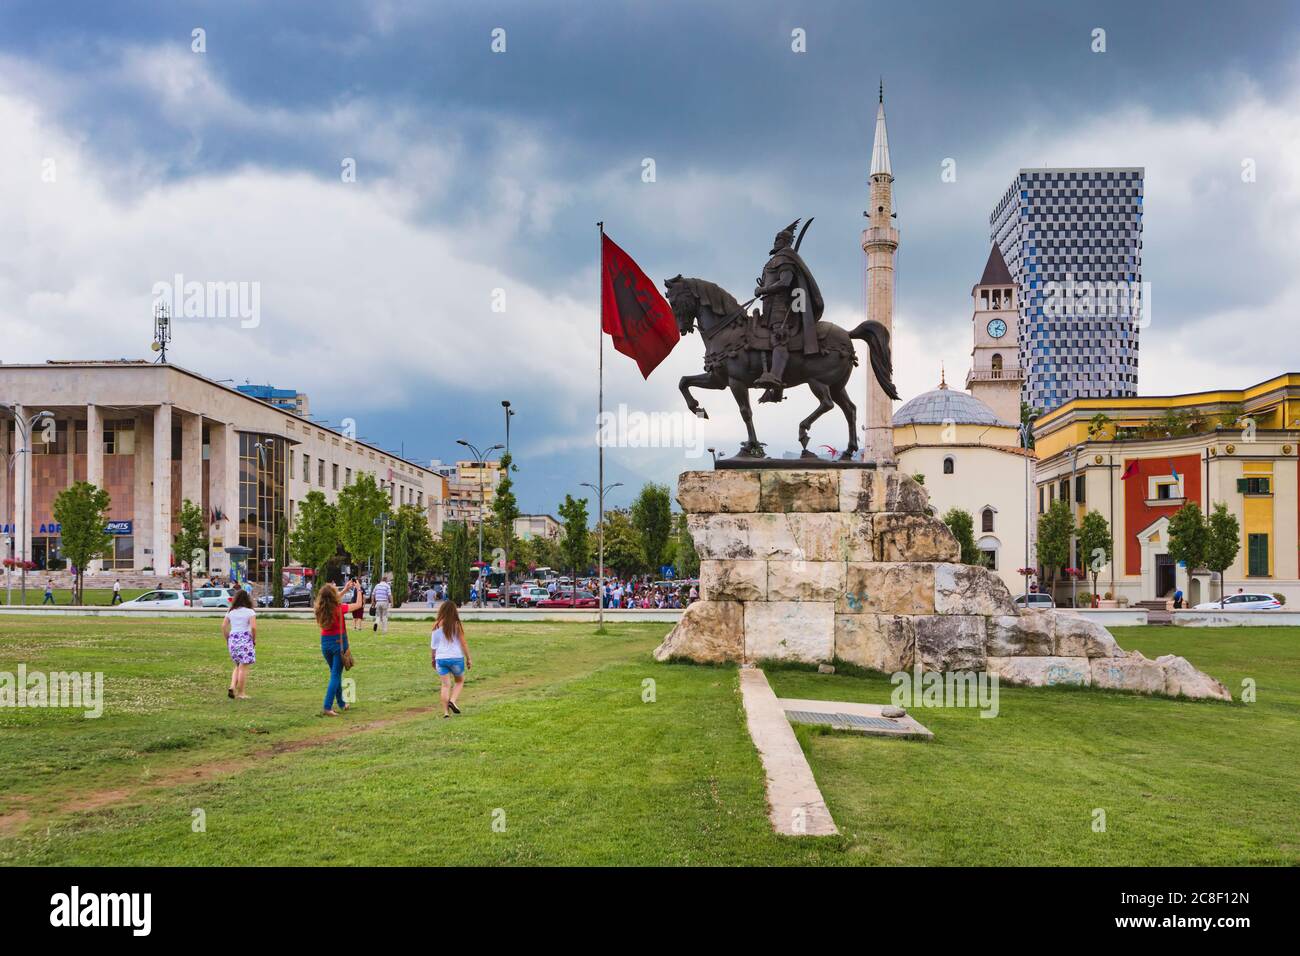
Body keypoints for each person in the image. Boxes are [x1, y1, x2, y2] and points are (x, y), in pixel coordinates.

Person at [316, 579, 364, 717]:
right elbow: (359, 604)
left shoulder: (319, 608)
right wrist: (359, 589)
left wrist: (345, 590)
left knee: (334, 674)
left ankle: (342, 703)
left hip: (325, 644)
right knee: (336, 675)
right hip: (339, 644)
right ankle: (327, 706)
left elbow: (332, 601)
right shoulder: (339, 608)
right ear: (333, 596)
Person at [430, 601, 472, 719]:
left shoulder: (436, 625)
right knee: (459, 681)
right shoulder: (456, 624)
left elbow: (433, 646)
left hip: (441, 658)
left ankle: (446, 713)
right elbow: (463, 643)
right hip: (455, 657)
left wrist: (433, 659)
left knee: (445, 685)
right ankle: (452, 701)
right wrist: (469, 658)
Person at [223, 589, 258, 699]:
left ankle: (232, 686)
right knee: (243, 667)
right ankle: (241, 693)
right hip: (245, 639)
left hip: (233, 639)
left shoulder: (231, 611)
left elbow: (223, 626)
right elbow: (253, 627)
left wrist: (227, 638)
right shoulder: (250, 612)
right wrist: (253, 639)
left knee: (237, 665)